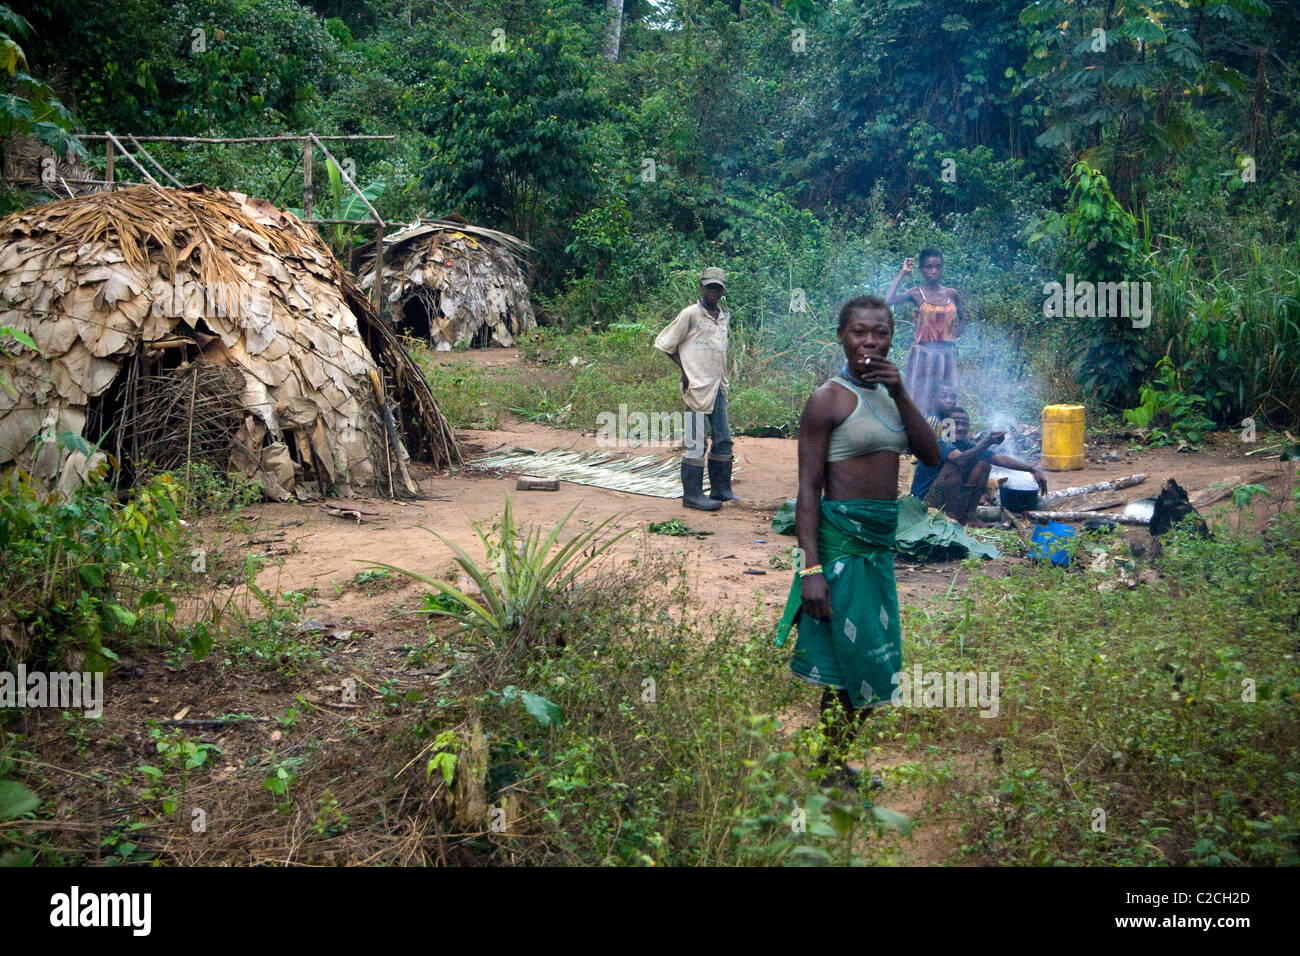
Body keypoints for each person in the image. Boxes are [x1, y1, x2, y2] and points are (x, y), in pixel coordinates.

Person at [775, 295, 940, 791]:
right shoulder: (828, 399)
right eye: (859, 333)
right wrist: (811, 570)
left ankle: (829, 766)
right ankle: (826, 772)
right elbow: (808, 489)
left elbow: (930, 455)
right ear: (841, 336)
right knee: (854, 667)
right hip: (842, 546)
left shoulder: (893, 396)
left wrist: (903, 392)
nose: (870, 342)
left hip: (878, 548)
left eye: (881, 333)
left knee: (867, 664)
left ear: (893, 337)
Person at [654, 267, 738, 511]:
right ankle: (692, 495)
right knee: (696, 441)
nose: (713, 292)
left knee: (723, 440)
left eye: (717, 288)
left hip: (717, 386)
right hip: (697, 387)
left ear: (722, 291)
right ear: (701, 287)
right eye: (709, 287)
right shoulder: (690, 314)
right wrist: (685, 371)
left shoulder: (723, 316)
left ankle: (721, 489)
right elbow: (666, 344)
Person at [909, 408, 1048, 525]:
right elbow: (960, 460)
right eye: (955, 423)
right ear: (946, 426)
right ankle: (951, 519)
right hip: (924, 502)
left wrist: (1032, 469)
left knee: (984, 464)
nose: (960, 427)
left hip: (946, 497)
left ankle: (969, 517)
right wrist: (987, 441)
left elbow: (999, 459)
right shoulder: (942, 442)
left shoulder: (965, 443)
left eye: (964, 424)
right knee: (955, 465)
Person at [885, 249, 967, 417]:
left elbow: (964, 318)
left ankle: (947, 440)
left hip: (946, 356)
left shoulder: (951, 294)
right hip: (923, 356)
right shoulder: (916, 293)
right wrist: (902, 273)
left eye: (938, 267)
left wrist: (952, 339)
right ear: (921, 269)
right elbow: (888, 300)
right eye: (929, 267)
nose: (934, 271)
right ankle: (918, 439)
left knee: (947, 401)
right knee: (920, 398)